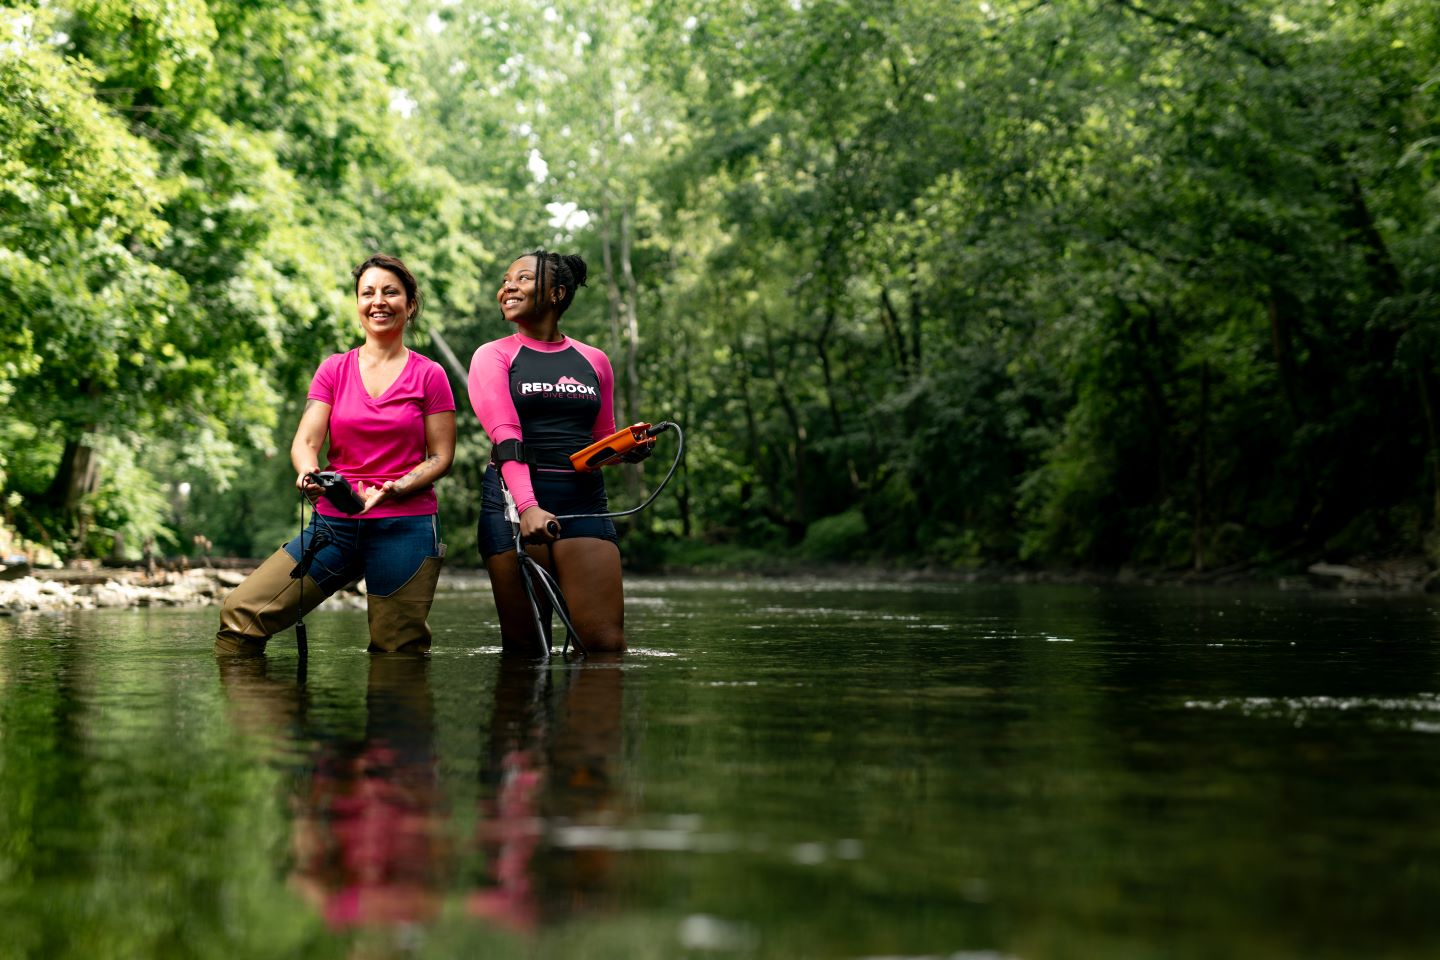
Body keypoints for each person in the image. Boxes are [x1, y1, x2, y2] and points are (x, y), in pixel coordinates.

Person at [216, 254, 456, 655]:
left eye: (390, 292)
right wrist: (309, 473)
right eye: (368, 293)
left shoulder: (430, 374)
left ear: (410, 304)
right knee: (241, 618)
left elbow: (441, 456)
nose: (378, 301)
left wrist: (394, 488)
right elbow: (306, 441)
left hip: (405, 527)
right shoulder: (334, 369)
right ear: (357, 303)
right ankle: (282, 716)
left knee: (398, 651)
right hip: (335, 525)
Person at [467, 250, 639, 654]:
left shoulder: (594, 360)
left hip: (584, 504)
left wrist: (625, 450)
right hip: (514, 507)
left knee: (604, 647)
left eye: (523, 278)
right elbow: (506, 437)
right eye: (506, 279)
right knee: (529, 652)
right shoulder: (493, 355)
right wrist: (528, 507)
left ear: (557, 292)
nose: (508, 286)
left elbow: (601, 440)